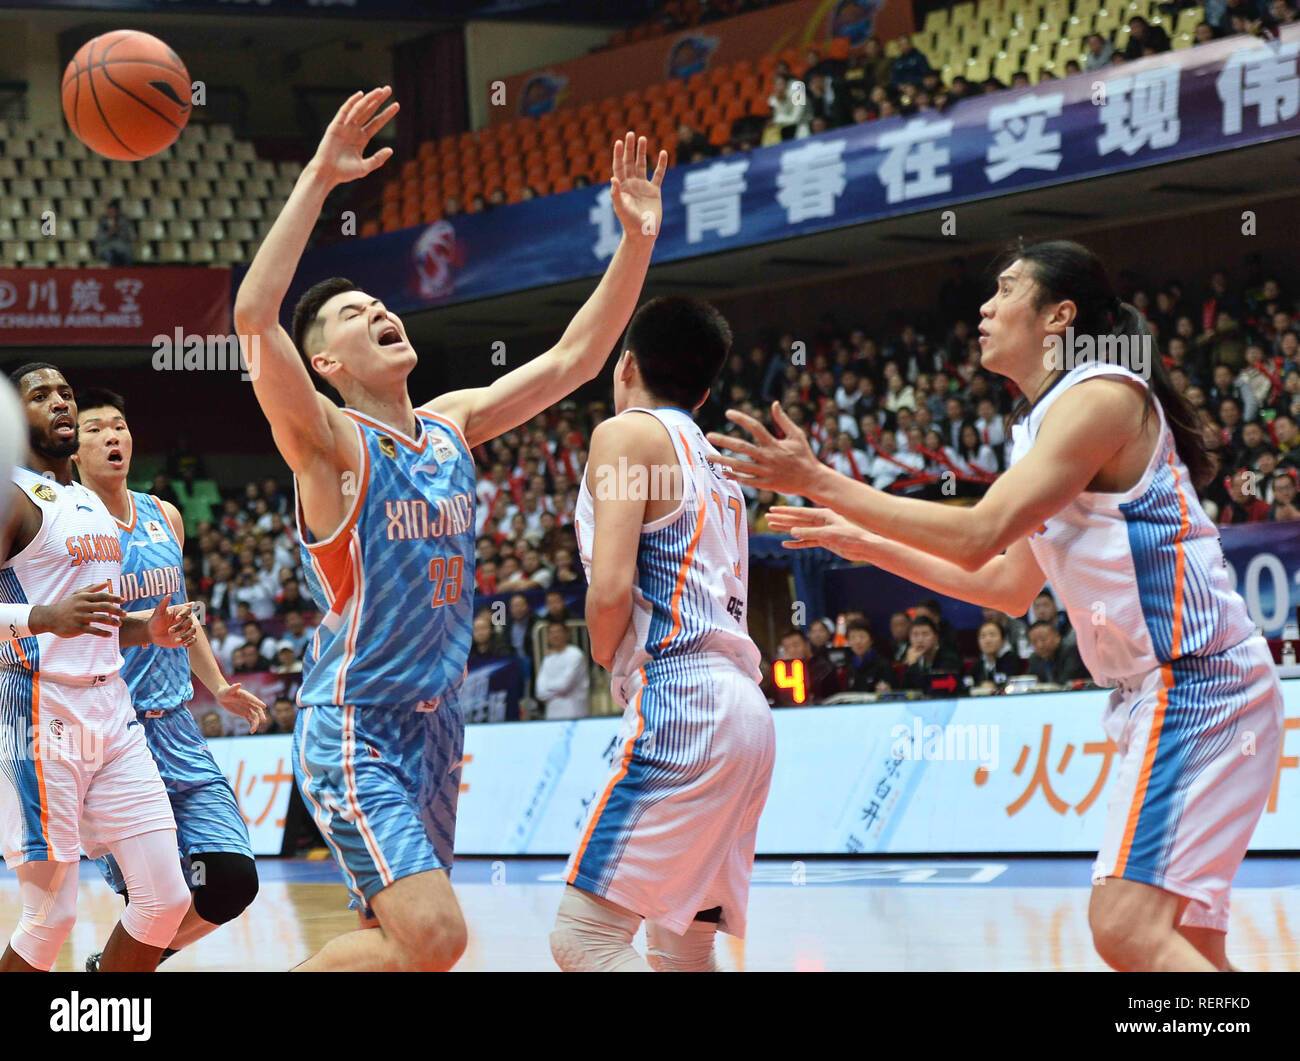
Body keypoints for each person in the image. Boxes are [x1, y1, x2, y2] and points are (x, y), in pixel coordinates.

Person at [715, 240, 1283, 972]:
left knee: (1123, 926)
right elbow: (1005, 587)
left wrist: (822, 479)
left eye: (1007, 289)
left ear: (1059, 316)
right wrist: (866, 542)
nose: (984, 306)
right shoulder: (1045, 424)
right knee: (1188, 945)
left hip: (1199, 685)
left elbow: (979, 530)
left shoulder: (1101, 397)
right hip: (1184, 689)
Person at [232, 85, 666, 972]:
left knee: (397, 946)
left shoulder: (450, 421)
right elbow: (251, 317)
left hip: (435, 728)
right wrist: (319, 177)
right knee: (439, 936)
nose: (377, 312)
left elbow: (577, 357)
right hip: (354, 720)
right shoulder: (326, 441)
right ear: (324, 362)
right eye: (352, 315)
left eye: (378, 305)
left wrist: (637, 242)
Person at [551, 296, 774, 973]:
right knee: (682, 952)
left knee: (584, 938)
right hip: (746, 714)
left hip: (683, 703)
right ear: (705, 391)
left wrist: (601, 654)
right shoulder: (721, 469)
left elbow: (611, 588)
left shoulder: (628, 434)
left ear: (626, 366)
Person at [1, 363, 197, 973]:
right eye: (40, 396)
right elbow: (57, 616)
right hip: (40, 713)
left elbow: (101, 619)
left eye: (65, 392)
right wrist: (44, 616)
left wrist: (147, 630)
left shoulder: (86, 500)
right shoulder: (10, 495)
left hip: (112, 710)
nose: (60, 402)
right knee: (51, 917)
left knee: (166, 900)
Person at [72, 387, 266, 970]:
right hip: (113, 736)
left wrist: (220, 684)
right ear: (73, 452)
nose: (112, 436)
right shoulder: (64, 530)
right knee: (156, 897)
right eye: (95, 430)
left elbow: (181, 615)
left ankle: (116, 971)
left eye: (120, 426)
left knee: (231, 881)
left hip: (176, 726)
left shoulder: (164, 515)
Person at [533, 619, 589, 720]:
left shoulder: (575, 654)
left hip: (575, 713)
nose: (555, 635)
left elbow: (564, 685)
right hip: (552, 716)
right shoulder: (547, 660)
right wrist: (557, 689)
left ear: (566, 634)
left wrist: (548, 688)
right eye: (551, 633)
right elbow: (540, 692)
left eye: (558, 632)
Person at [1026, 620, 1088, 685]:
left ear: (1057, 636)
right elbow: (1029, 681)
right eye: (1034, 642)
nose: (1040, 645)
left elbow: (1066, 681)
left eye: (1043, 639)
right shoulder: (1035, 658)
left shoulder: (1071, 651)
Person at [971, 619, 1023, 687]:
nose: (987, 640)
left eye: (992, 635)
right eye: (983, 636)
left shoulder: (1012, 660)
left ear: (1003, 639)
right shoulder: (979, 664)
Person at [93, 199, 136, 266]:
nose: (112, 213)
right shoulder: (102, 222)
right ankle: (115, 275)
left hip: (121, 248)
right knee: (110, 256)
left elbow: (129, 237)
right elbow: (98, 239)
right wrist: (109, 233)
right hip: (106, 248)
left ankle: (127, 275)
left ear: (117, 212)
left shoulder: (123, 222)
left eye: (114, 211)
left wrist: (118, 231)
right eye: (110, 211)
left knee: (128, 255)